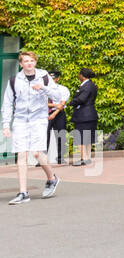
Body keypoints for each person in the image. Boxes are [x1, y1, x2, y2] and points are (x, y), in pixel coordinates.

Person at [3, 51, 60, 204]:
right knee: (21, 155)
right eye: (25, 61)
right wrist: (5, 124)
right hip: (20, 121)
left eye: (31, 61)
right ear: (21, 64)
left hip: (38, 120)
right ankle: (23, 192)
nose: (29, 63)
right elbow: (7, 104)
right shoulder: (14, 80)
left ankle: (52, 178)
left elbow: (58, 95)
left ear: (35, 62)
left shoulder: (44, 77)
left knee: (36, 154)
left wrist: (43, 88)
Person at [69, 68, 98, 167]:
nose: (78, 75)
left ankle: (84, 158)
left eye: (79, 74)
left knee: (81, 137)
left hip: (84, 115)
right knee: (87, 138)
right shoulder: (91, 85)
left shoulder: (86, 86)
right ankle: (87, 158)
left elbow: (81, 99)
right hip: (89, 115)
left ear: (82, 75)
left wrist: (70, 103)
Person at [45, 69, 69, 166]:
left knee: (60, 135)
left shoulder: (63, 89)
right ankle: (43, 160)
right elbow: (42, 103)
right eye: (49, 78)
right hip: (45, 113)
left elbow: (62, 104)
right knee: (44, 136)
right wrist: (55, 105)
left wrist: (54, 113)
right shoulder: (43, 89)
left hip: (58, 113)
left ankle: (60, 158)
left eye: (53, 78)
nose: (51, 80)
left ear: (57, 79)